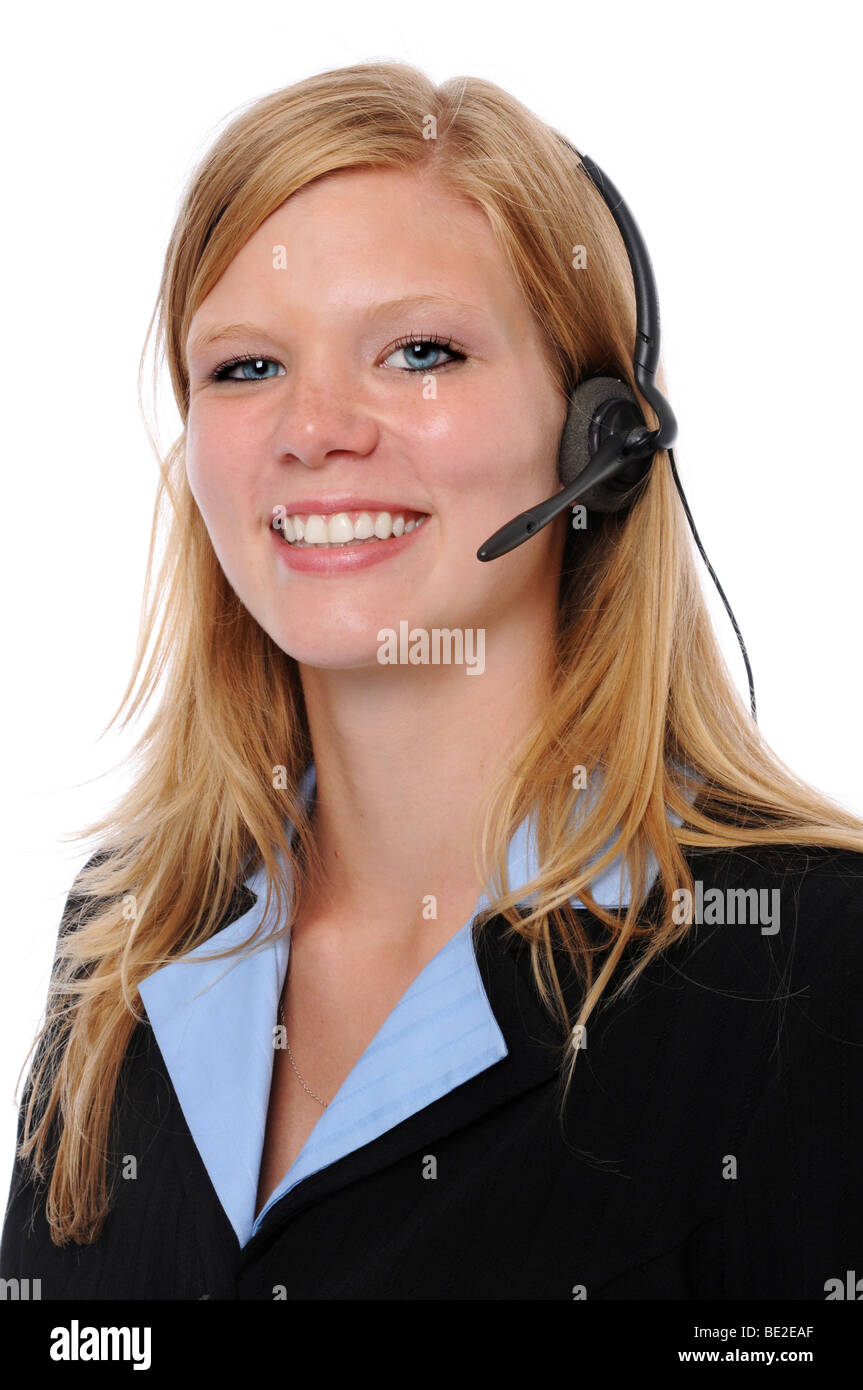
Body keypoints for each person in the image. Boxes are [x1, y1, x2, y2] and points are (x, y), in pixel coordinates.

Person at [2, 59, 862, 1301]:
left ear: (600, 437)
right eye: (245, 367)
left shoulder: (807, 970)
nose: (313, 428)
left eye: (418, 351)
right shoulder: (129, 938)